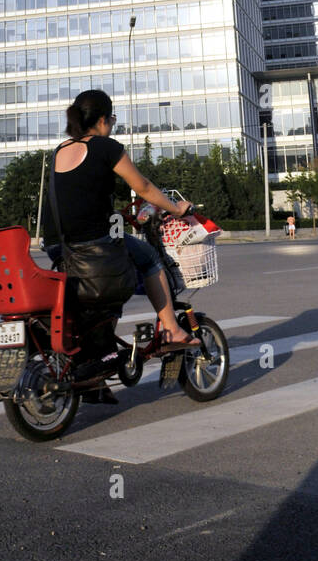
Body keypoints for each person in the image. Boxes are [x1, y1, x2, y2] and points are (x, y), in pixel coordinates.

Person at [42, 90, 200, 376]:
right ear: (102, 120)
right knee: (150, 259)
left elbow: (79, 196)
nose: (112, 125)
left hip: (57, 246)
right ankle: (173, 330)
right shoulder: (106, 146)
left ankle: (99, 358)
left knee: (109, 279)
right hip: (92, 246)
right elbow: (144, 187)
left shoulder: (60, 149)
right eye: (112, 119)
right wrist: (177, 209)